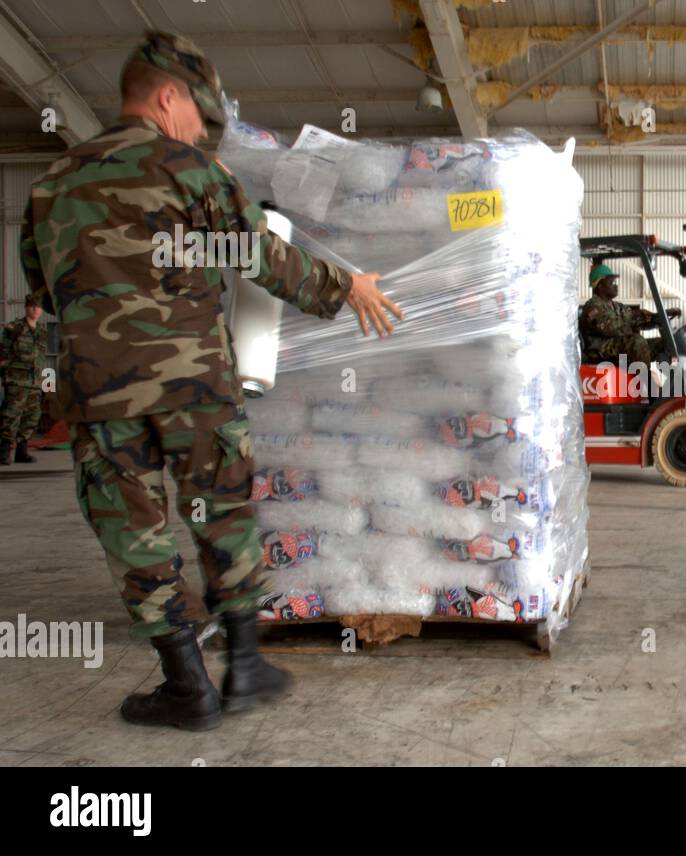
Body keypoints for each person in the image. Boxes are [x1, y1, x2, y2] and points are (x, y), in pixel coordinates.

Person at [19, 31, 403, 731]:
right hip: (195, 386)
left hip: (100, 395)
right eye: (200, 116)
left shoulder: (52, 183)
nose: (204, 132)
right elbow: (263, 260)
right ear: (168, 98)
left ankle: (186, 686)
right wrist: (348, 287)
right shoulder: (190, 170)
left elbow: (40, 284)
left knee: (134, 534)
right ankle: (247, 666)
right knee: (221, 513)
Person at [578, 263, 678, 365]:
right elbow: (608, 329)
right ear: (600, 285)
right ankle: (645, 379)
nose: (616, 285)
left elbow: (636, 321)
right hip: (602, 350)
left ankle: (673, 376)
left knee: (664, 343)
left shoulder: (618, 306)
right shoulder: (593, 307)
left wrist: (657, 318)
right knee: (637, 342)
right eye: (612, 282)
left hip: (621, 347)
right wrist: (632, 317)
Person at [0, 294, 45, 465]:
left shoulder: (42, 331)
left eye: (38, 307)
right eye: (32, 306)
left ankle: (22, 451)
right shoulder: (14, 328)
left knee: (32, 416)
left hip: (35, 382)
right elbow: (2, 353)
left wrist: (48, 385)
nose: (35, 309)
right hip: (16, 381)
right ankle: (4, 451)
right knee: (10, 415)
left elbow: (43, 358)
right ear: (26, 307)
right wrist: (5, 375)